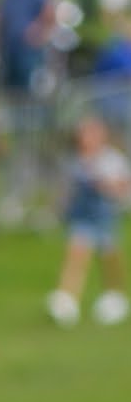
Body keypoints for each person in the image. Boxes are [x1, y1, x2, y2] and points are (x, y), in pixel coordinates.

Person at [48, 111, 131, 325]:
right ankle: (67, 297)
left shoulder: (111, 159)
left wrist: (108, 186)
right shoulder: (74, 162)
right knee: (77, 253)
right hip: (82, 217)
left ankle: (114, 295)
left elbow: (122, 186)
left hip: (104, 217)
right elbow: (66, 191)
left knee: (109, 256)